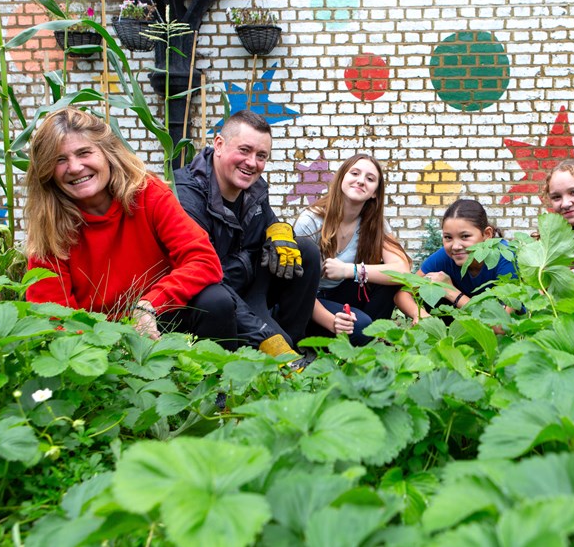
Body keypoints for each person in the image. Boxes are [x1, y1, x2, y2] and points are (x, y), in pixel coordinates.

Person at [24, 108, 236, 346]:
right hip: (93, 341)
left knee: (216, 300)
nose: (74, 167)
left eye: (84, 153)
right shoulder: (49, 230)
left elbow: (203, 260)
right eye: (60, 160)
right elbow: (52, 318)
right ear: (47, 172)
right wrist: (109, 342)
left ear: (107, 154)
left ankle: (215, 378)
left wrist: (148, 305)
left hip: (159, 322)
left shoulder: (148, 195)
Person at [175, 109, 319, 363]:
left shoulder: (253, 188)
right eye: (244, 150)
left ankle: (292, 348)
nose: (252, 163)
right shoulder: (185, 197)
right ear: (219, 144)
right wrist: (264, 336)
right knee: (215, 298)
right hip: (207, 300)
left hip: (248, 289)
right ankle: (228, 370)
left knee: (303, 250)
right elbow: (207, 275)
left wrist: (280, 229)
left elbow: (267, 223)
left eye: (261, 156)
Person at [294, 153, 417, 346]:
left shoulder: (374, 224)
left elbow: (402, 270)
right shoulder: (311, 221)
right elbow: (292, 289)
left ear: (375, 192)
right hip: (308, 303)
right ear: (342, 177)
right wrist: (331, 321)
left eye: (370, 179)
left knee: (389, 281)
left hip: (341, 295)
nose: (361, 181)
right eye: (355, 173)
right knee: (362, 326)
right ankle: (349, 336)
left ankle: (365, 338)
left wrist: (350, 270)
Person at [417, 198, 517, 311]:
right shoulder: (446, 256)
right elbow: (405, 291)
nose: (455, 246)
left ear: (487, 234)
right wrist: (419, 315)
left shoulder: (506, 257)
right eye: (448, 237)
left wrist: (451, 291)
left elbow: (502, 325)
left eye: (465, 236)